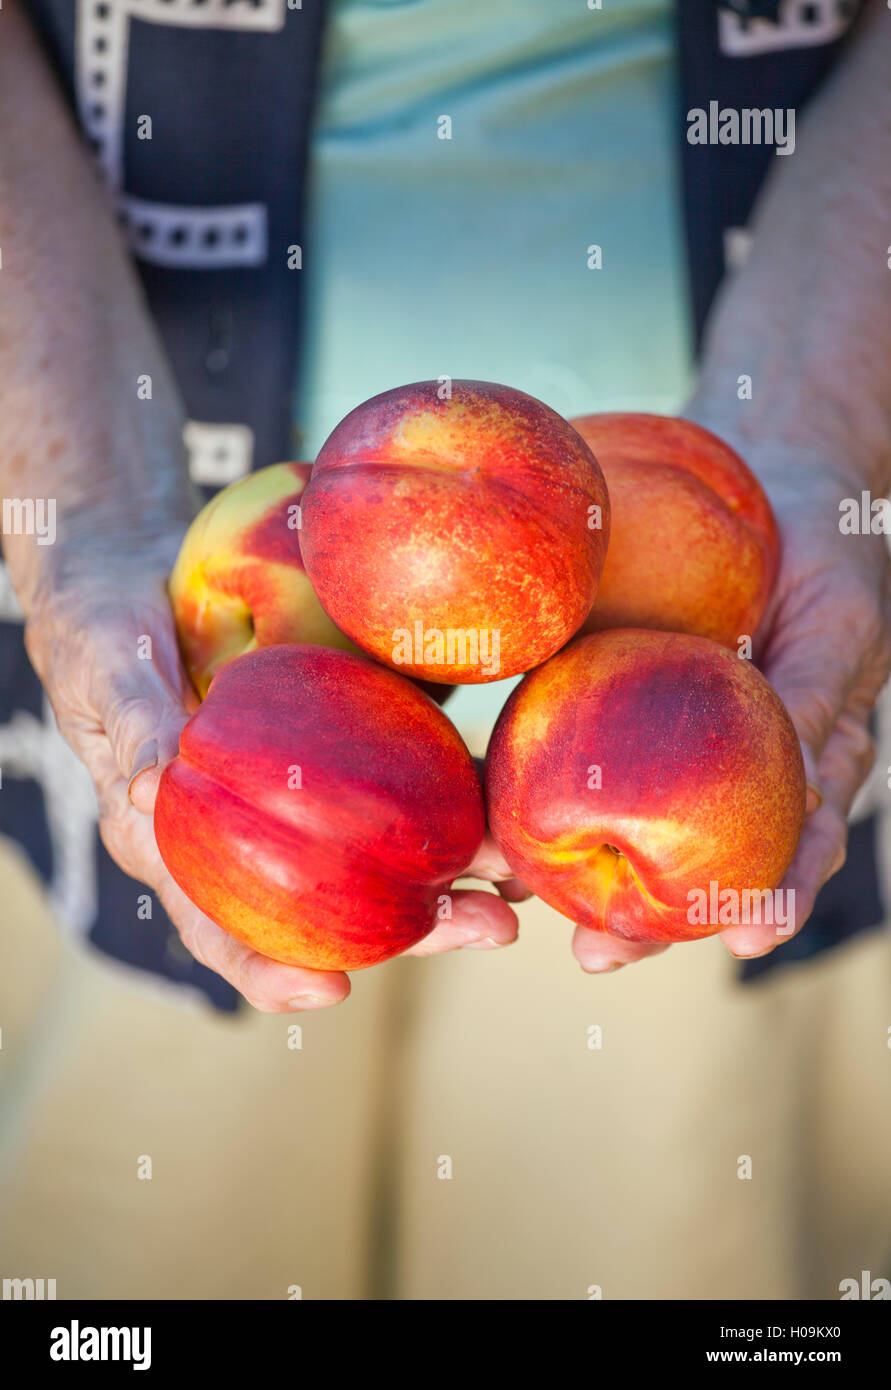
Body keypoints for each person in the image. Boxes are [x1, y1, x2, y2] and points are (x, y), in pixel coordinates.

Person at [0, 0, 889, 1299]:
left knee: (671, 1231)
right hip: (158, 615)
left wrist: (823, 420)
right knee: (150, 1238)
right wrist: (72, 498)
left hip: (737, 634)